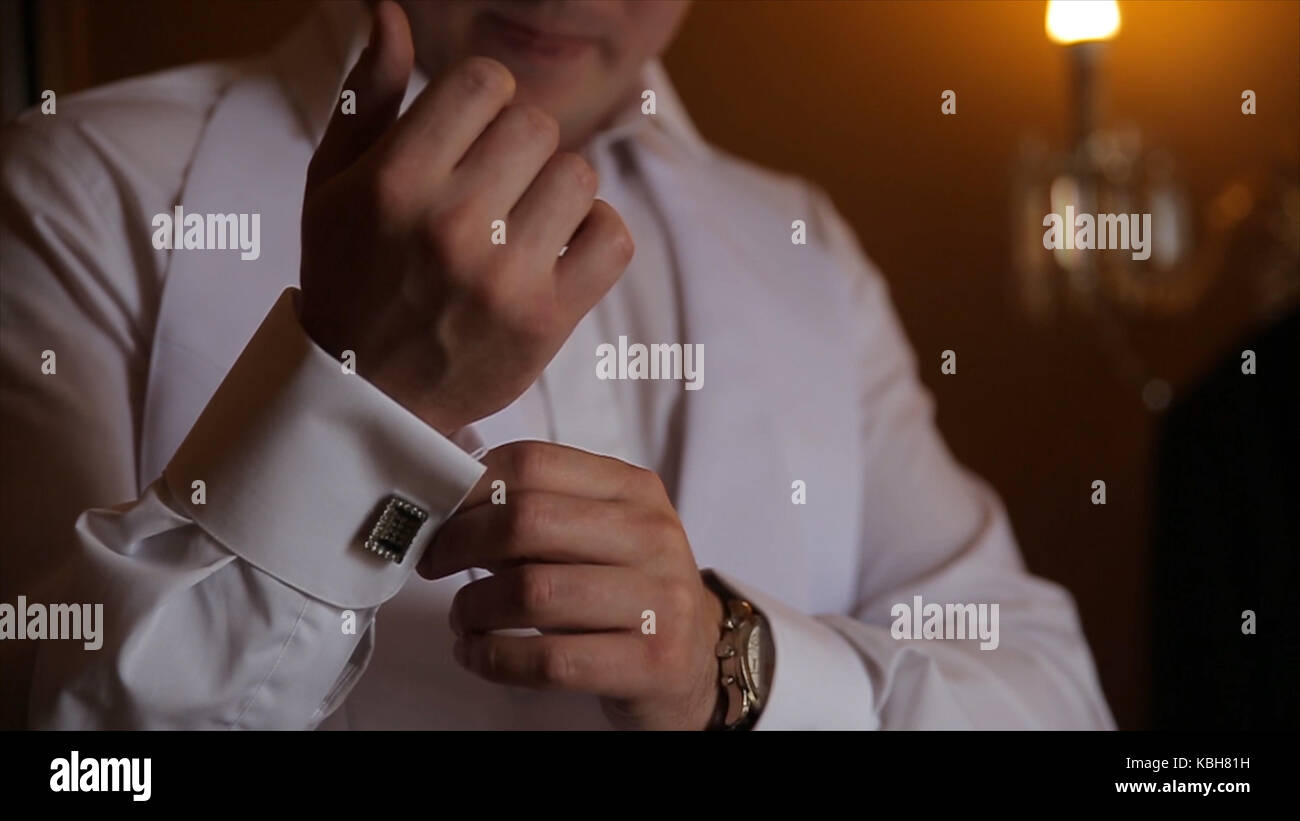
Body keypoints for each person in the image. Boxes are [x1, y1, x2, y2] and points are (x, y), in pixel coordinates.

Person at [0, 0, 1114, 730]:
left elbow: (1050, 697)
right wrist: (368, 402)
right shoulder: (86, 184)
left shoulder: (805, 246)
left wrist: (735, 665)